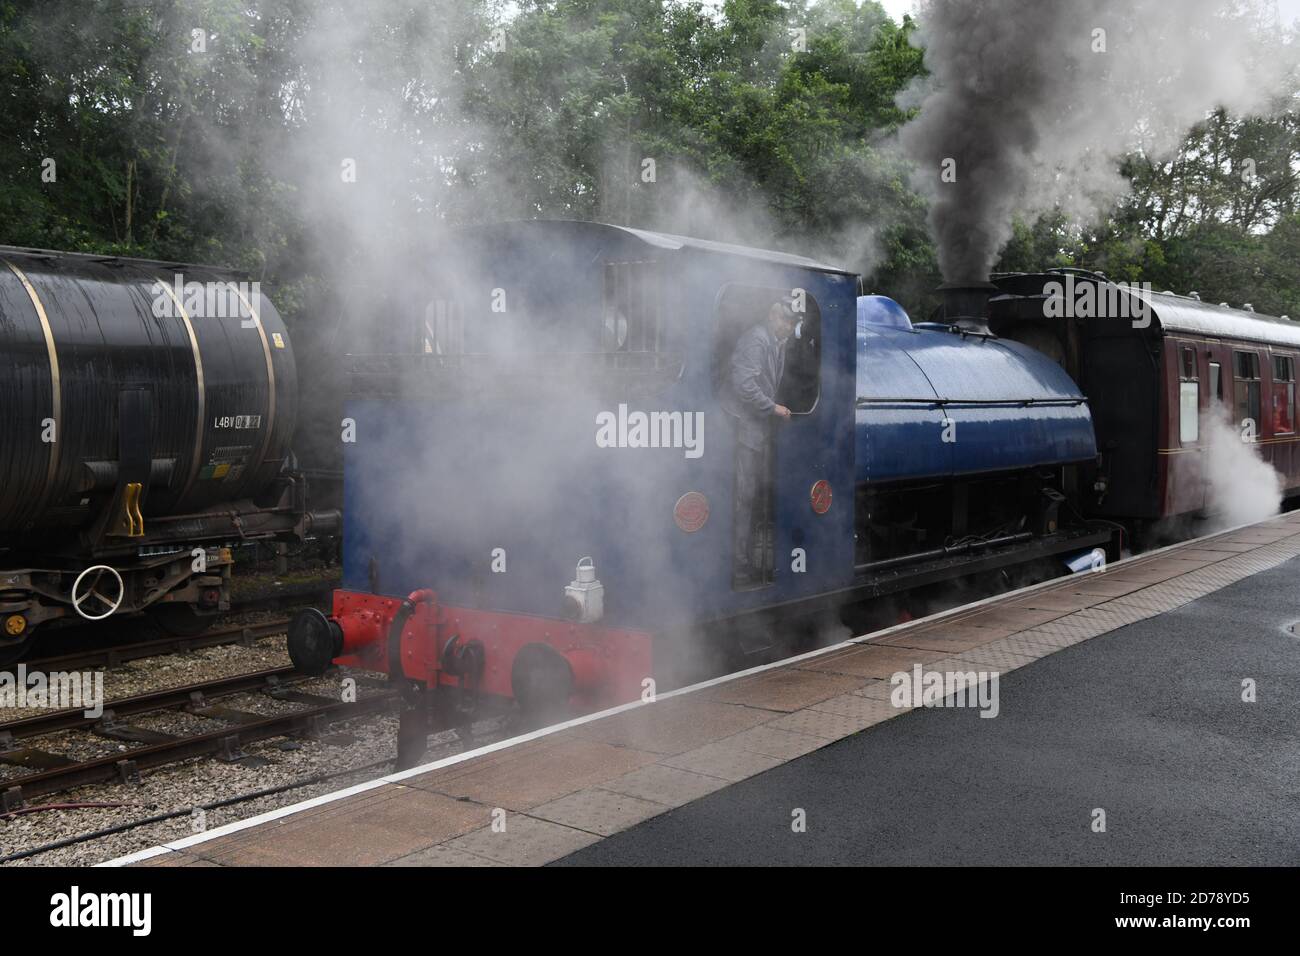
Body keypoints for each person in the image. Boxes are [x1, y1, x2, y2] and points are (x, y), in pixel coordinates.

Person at [721, 299, 798, 586]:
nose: (788, 327)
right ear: (772, 316)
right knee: (743, 498)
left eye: (792, 323)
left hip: (757, 430)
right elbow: (744, 386)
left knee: (751, 496)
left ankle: (751, 559)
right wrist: (774, 408)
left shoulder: (777, 342)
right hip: (744, 429)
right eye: (785, 320)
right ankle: (739, 567)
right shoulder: (756, 341)